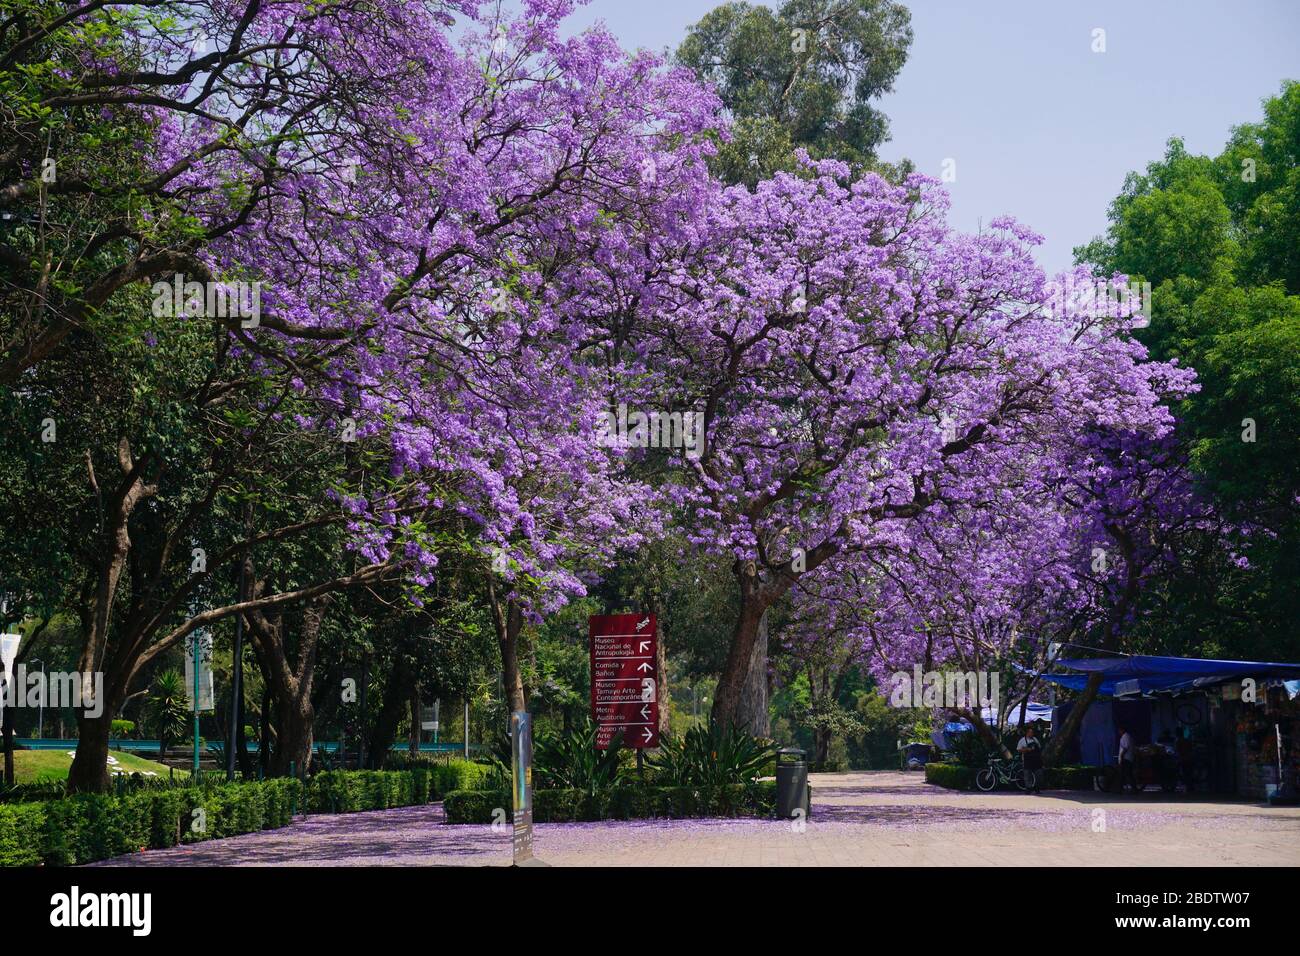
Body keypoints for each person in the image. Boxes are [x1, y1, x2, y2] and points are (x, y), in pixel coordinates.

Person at [1017, 723, 1044, 793]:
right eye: (1030, 732)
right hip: (1027, 760)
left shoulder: (1035, 739)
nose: (1032, 734)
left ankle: (1037, 788)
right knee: (1027, 775)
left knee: (1039, 774)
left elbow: (1039, 747)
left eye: (1032, 732)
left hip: (1036, 759)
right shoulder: (1022, 740)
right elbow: (1019, 749)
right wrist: (1026, 749)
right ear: (1027, 733)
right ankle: (1028, 788)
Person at [1117, 725, 1138, 793]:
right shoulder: (1126, 736)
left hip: (1126, 758)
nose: (1119, 732)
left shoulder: (1125, 737)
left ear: (1122, 730)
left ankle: (1134, 788)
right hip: (1128, 757)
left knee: (1127, 774)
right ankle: (1120, 788)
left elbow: (1125, 748)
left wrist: (1122, 756)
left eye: (1119, 730)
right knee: (1124, 774)